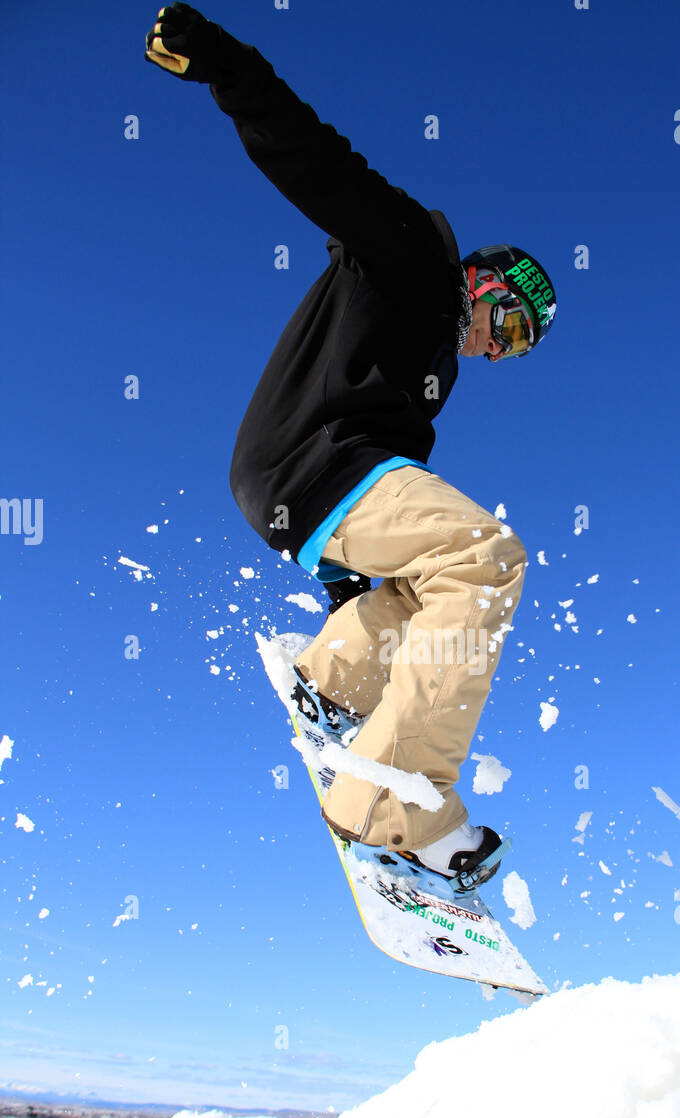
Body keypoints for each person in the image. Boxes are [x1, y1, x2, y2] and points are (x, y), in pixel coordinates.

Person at [145, 4, 557, 886]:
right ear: (481, 281)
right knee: (486, 557)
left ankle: (335, 680)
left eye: (518, 349)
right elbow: (316, 160)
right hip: (310, 458)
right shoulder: (407, 252)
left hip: (313, 482)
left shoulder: (433, 373)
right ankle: (394, 803)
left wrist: (344, 596)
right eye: (508, 325)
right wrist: (227, 65)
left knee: (431, 580)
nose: (501, 349)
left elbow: (386, 502)